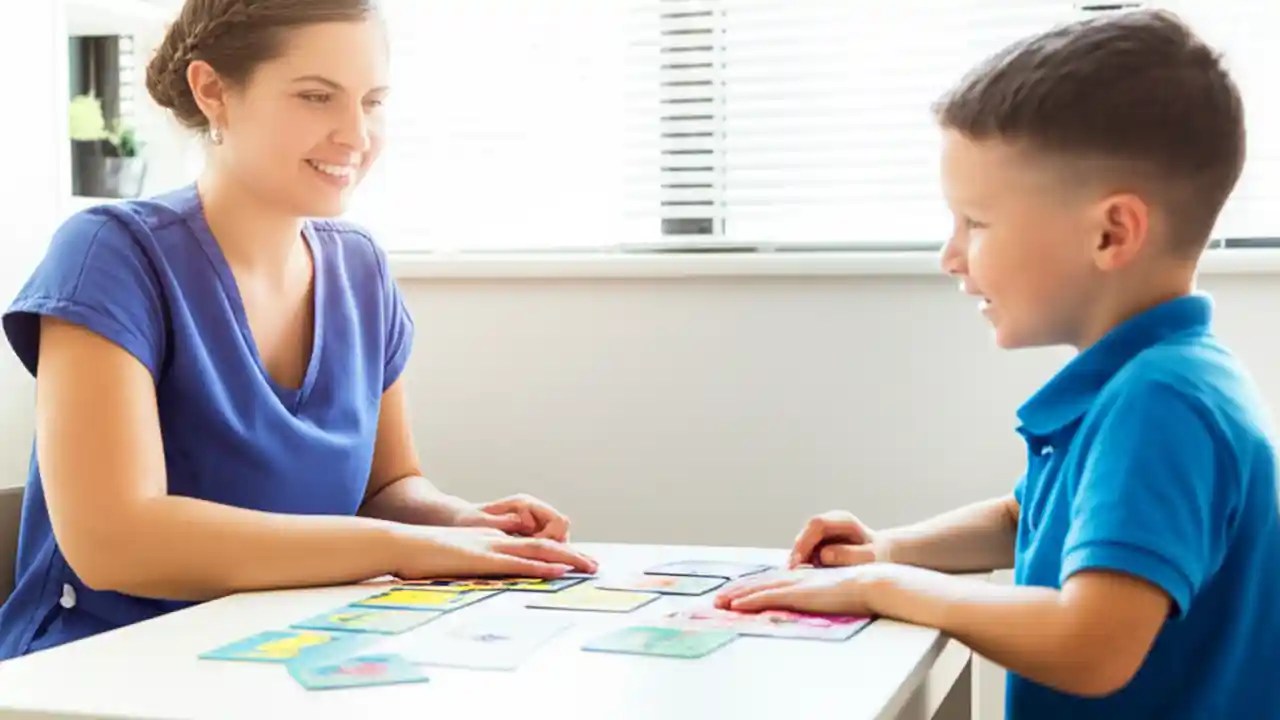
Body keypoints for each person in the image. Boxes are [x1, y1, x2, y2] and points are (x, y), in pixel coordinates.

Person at [716, 10, 1280, 719]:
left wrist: (884, 589)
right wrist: (888, 549)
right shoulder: (1146, 381)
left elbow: (1093, 645)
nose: (949, 255)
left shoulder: (1163, 402)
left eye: (976, 223)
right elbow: (1026, 520)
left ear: (1111, 233)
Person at [0, 0, 595, 661]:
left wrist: (459, 523)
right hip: (97, 666)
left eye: (372, 101)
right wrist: (404, 550)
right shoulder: (110, 256)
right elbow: (115, 543)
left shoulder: (359, 267)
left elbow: (385, 489)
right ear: (213, 91)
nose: (356, 134)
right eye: (317, 97)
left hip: (291, 652)